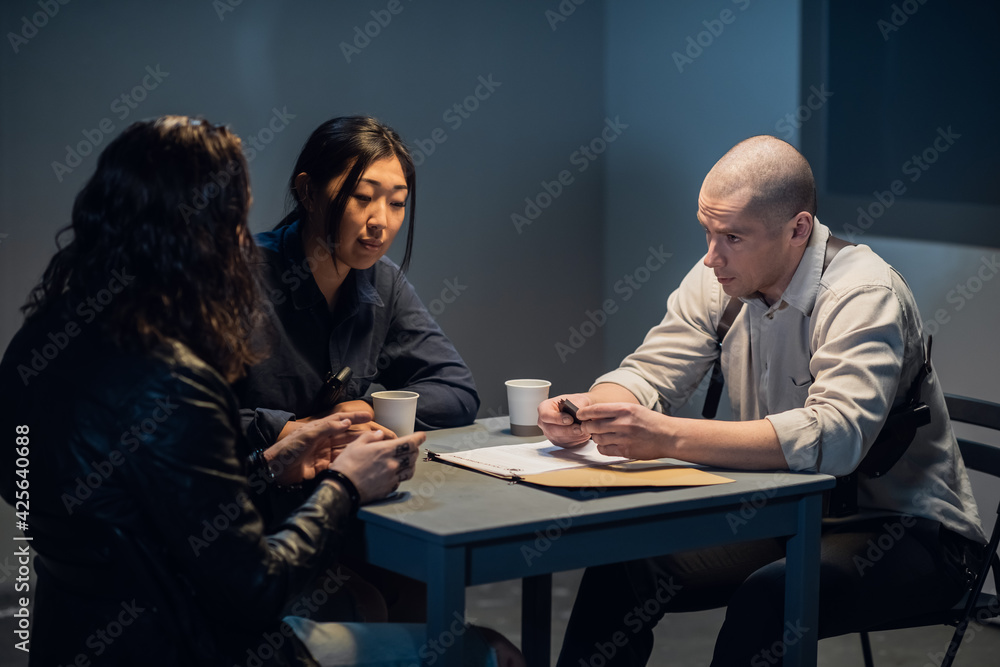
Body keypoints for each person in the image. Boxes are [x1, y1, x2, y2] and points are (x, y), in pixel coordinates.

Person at [0, 116, 519, 666]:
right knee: (492, 652)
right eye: (234, 219)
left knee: (392, 590)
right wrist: (343, 484)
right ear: (203, 231)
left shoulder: (44, 340)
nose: (242, 240)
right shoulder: (176, 375)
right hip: (194, 642)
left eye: (397, 203)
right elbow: (254, 589)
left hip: (79, 631)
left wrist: (268, 465)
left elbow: (89, 495)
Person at [539, 135, 987, 666]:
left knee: (771, 598)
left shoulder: (863, 294)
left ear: (798, 229)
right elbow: (649, 371)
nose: (712, 256)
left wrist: (666, 435)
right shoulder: (721, 278)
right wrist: (594, 409)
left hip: (905, 531)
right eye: (707, 231)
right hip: (788, 514)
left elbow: (836, 439)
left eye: (732, 236)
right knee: (623, 564)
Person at [235, 115, 479, 456]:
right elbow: (182, 411)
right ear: (308, 192)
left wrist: (365, 410)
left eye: (396, 203)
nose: (381, 221)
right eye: (362, 197)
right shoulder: (237, 274)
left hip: (348, 481)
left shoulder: (384, 281)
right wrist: (295, 430)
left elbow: (457, 391)